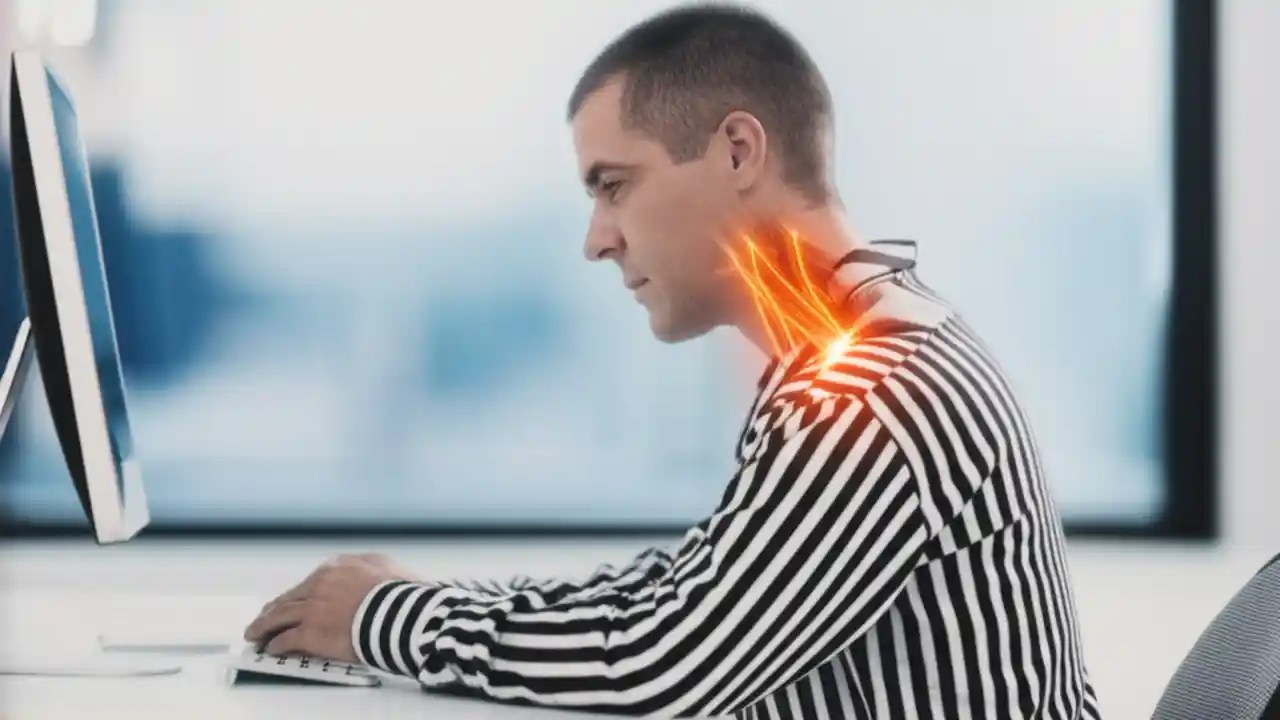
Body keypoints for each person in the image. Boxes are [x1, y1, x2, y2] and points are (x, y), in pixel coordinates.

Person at [244, 4, 1101, 718]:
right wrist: (429, 605)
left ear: (737, 151)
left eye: (614, 185)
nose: (597, 240)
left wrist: (389, 620)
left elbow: (665, 661)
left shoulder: (870, 390)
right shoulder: (852, 352)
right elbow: (683, 591)